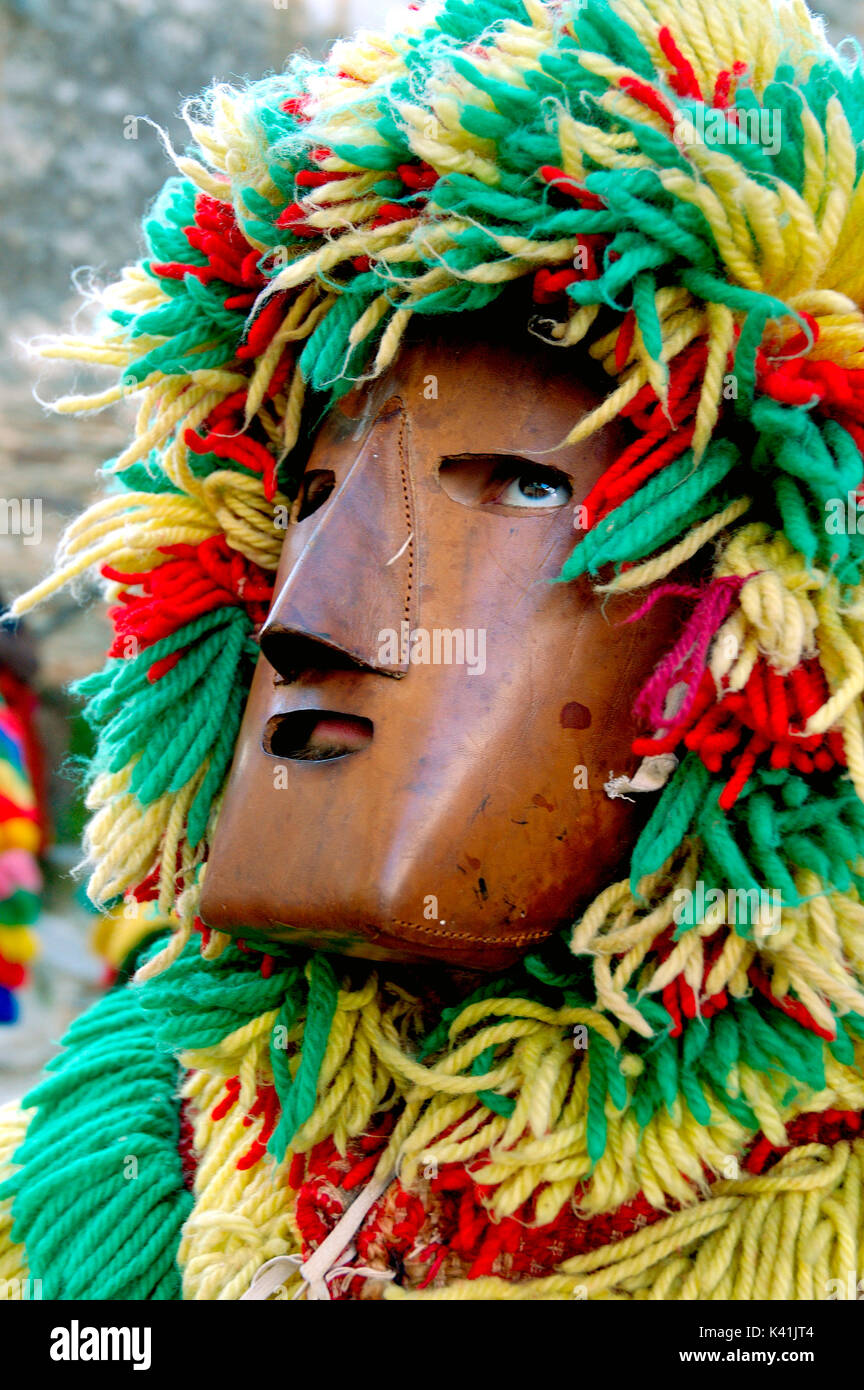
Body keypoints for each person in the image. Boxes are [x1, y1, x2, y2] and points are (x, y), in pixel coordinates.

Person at [2, 0, 864, 1301]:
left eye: (513, 486)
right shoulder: (118, 1153)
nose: (311, 615)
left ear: (770, 616)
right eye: (307, 502)